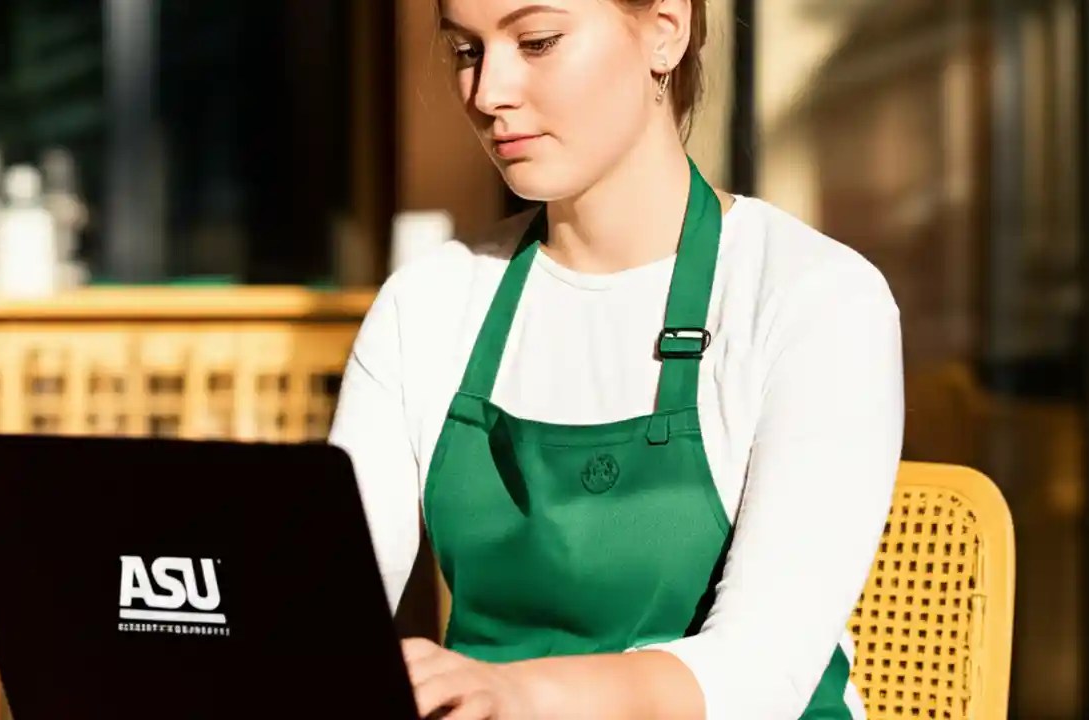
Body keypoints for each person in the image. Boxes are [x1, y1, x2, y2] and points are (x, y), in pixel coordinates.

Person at [328, 0, 904, 717]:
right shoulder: (428, 305)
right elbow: (326, 624)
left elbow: (761, 673)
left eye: (537, 42)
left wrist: (516, 691)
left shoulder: (812, 298)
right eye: (467, 52)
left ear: (666, 28)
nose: (488, 92)